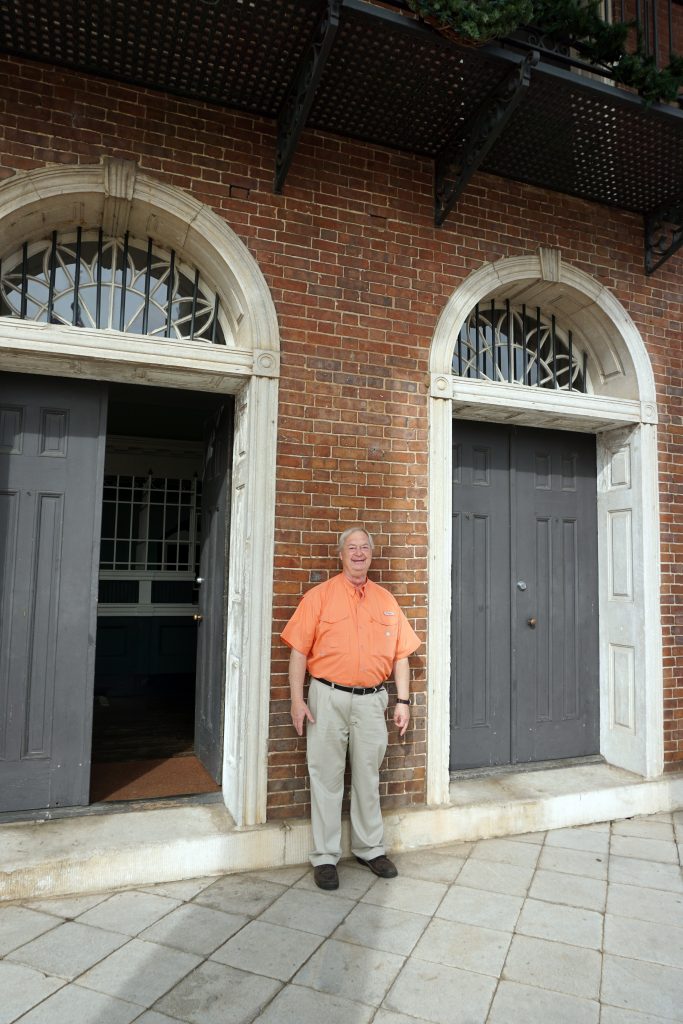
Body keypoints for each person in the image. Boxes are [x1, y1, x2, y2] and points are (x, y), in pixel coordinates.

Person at [281, 525, 421, 891]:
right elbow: (298, 652)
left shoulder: (386, 601)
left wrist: (403, 700)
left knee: (367, 777)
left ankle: (369, 849)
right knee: (325, 777)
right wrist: (297, 700)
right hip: (326, 697)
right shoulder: (319, 597)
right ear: (340, 555)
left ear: (371, 555)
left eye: (364, 548)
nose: (358, 553)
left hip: (373, 701)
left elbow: (401, 656)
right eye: (351, 548)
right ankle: (325, 857)